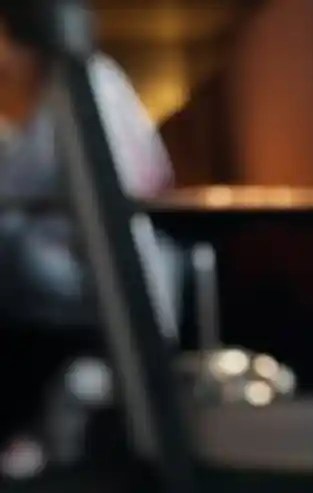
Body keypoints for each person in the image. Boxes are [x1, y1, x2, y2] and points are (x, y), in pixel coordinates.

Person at [0, 2, 176, 464]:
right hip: (75, 266)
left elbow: (127, 184)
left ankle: (25, 439)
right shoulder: (50, 93)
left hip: (96, 272)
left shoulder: (82, 87)